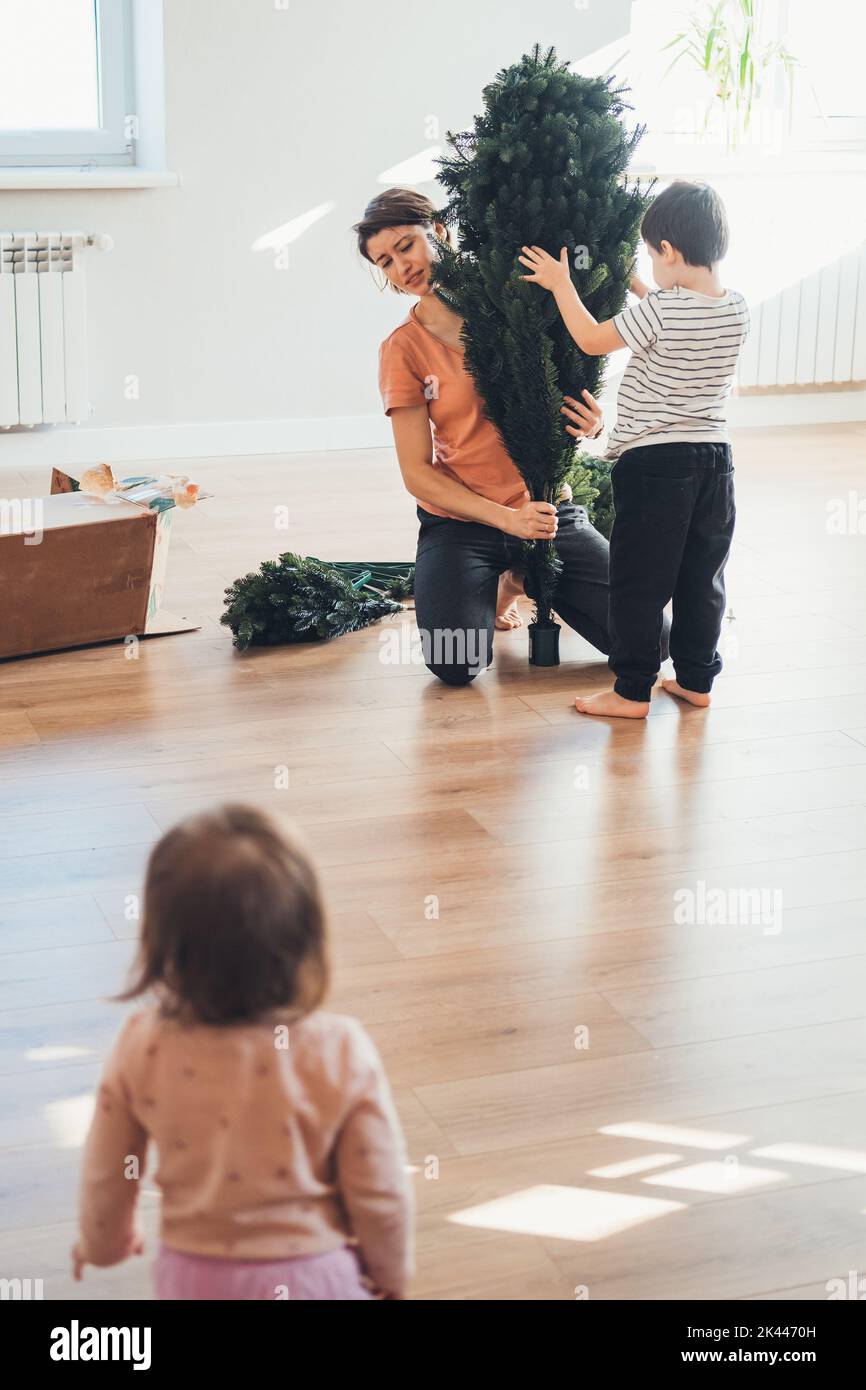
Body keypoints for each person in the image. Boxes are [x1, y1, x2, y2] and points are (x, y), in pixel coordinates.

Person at [72, 804, 414, 1301]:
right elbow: (381, 1193)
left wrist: (102, 1246)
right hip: (316, 1282)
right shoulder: (340, 1050)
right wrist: (392, 1279)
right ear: (307, 938)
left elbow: (108, 1173)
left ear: (164, 944)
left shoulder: (142, 1044)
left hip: (194, 1283)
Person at [355, 187, 627, 686]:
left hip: (544, 510)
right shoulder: (403, 349)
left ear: (437, 230)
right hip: (462, 522)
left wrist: (594, 422)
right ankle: (506, 580)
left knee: (651, 642)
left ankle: (524, 577)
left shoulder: (512, 307)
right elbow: (417, 474)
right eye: (385, 262)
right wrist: (506, 520)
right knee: (454, 662)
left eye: (406, 246)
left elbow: (570, 378)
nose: (401, 268)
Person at [520, 179, 749, 718]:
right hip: (716, 463)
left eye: (652, 257)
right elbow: (675, 314)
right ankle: (696, 680)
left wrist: (560, 284)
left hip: (656, 465)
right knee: (702, 579)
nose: (652, 268)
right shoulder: (735, 307)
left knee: (638, 581)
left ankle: (631, 692)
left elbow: (591, 338)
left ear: (668, 250)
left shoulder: (662, 312)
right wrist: (639, 285)